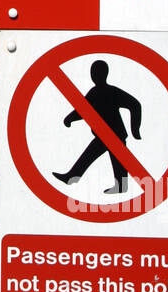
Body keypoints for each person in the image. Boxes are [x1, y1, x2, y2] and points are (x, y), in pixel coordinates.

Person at [52, 59, 141, 195]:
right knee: (112, 159)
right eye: (93, 72)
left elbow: (135, 105)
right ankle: (73, 177)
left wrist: (135, 130)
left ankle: (73, 177)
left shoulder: (106, 92)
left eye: (95, 72)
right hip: (105, 134)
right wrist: (69, 118)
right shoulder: (99, 92)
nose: (93, 75)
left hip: (113, 135)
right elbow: (83, 110)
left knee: (106, 158)